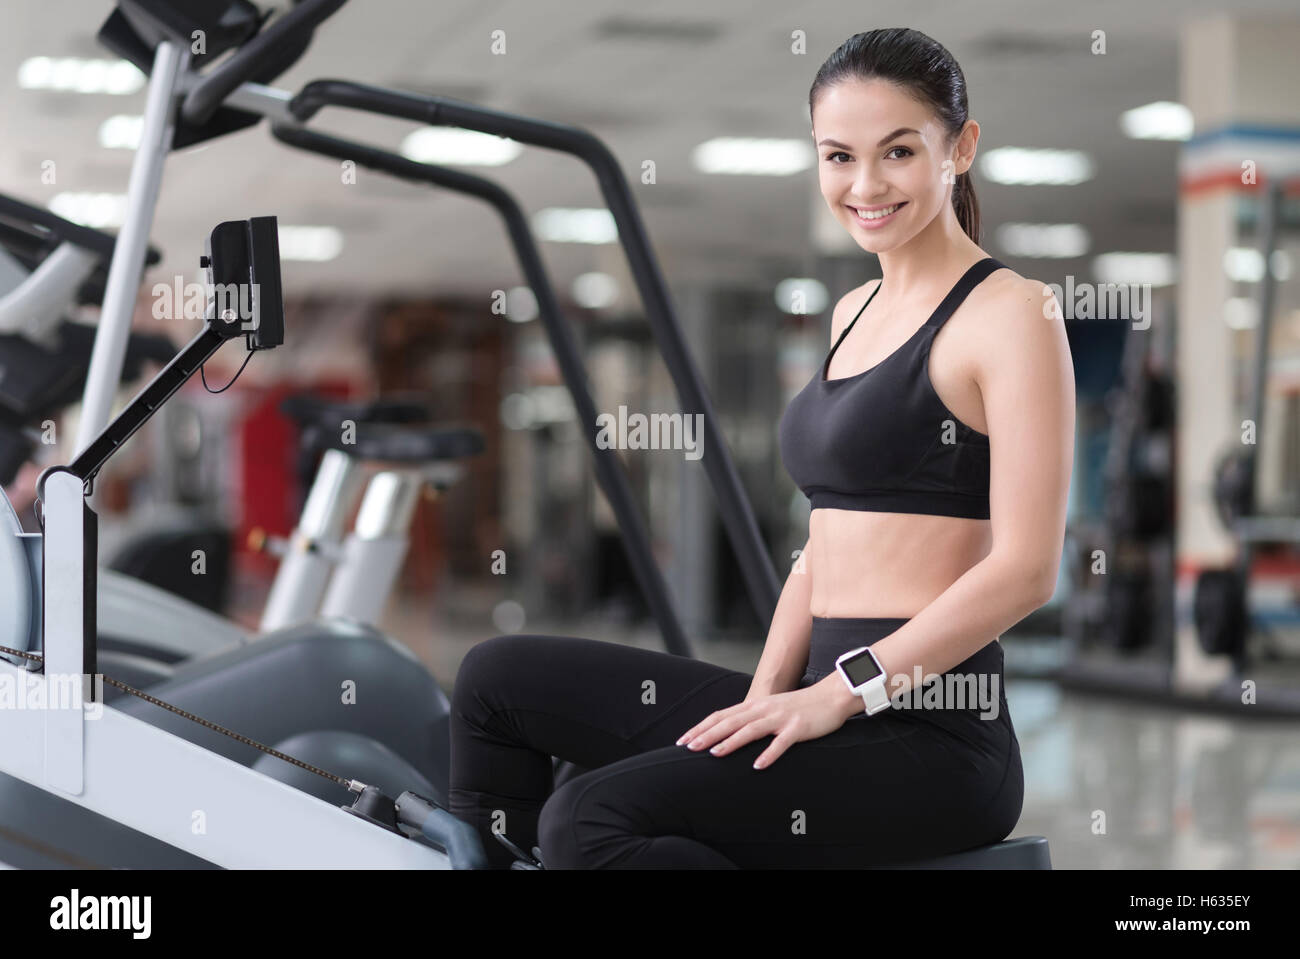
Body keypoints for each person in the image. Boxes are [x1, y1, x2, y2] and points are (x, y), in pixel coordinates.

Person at [448, 26, 1075, 869]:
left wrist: (839, 693)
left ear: (960, 147)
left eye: (897, 151)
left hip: (933, 740)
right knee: (495, 682)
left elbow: (1026, 570)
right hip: (821, 692)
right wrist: (762, 699)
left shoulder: (1011, 315)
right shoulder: (852, 311)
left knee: (585, 821)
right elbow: (821, 546)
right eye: (838, 156)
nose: (864, 185)